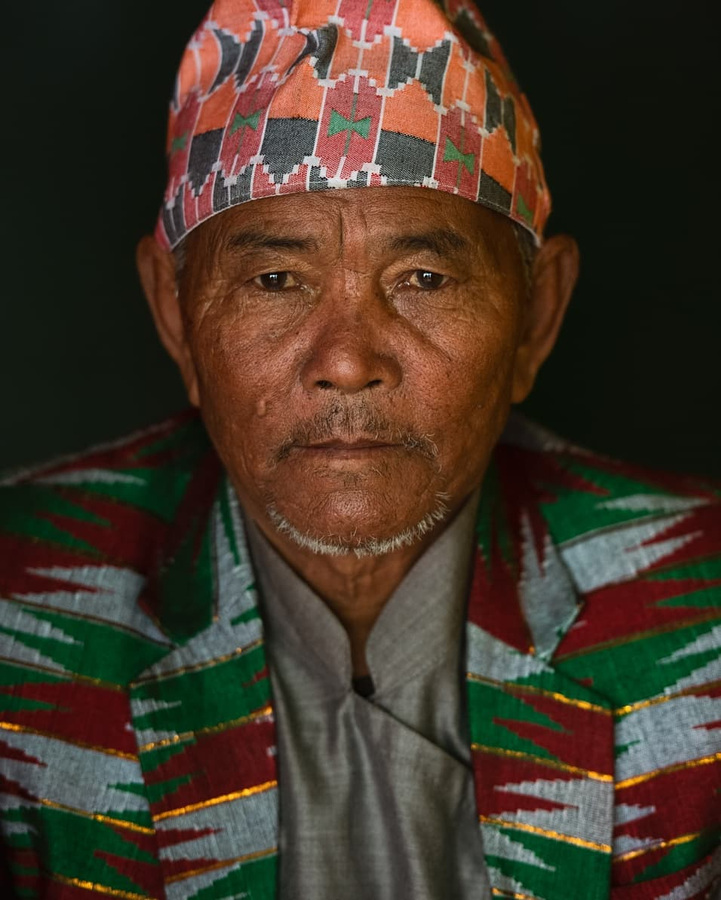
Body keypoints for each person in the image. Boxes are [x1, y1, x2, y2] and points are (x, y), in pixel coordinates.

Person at [0, 1, 719, 898]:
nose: (346, 361)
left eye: (422, 278)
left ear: (536, 315)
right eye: (273, 280)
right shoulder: (18, 619)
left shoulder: (702, 619)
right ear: (174, 315)